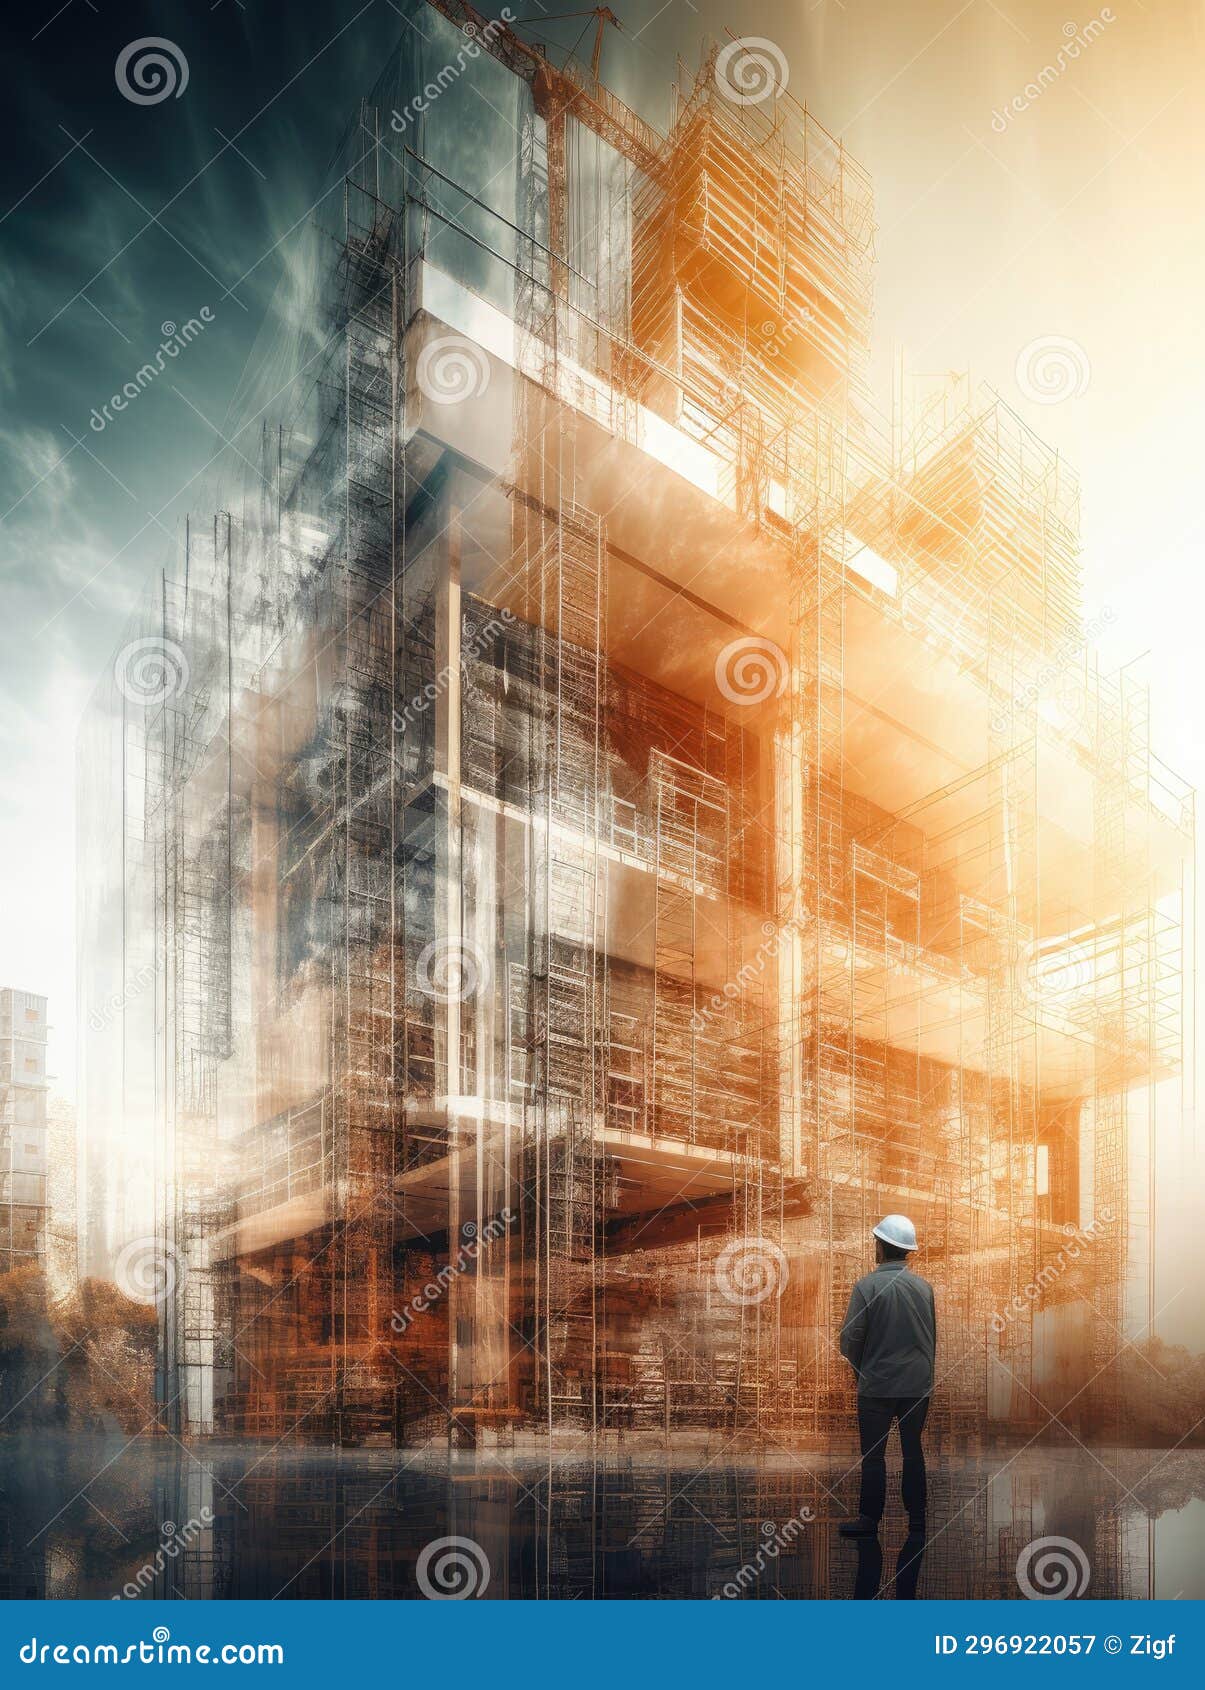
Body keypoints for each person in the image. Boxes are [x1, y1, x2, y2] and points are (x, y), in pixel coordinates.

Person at [837, 1214, 936, 1538]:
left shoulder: (866, 1287)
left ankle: (869, 1522)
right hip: (916, 1385)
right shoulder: (924, 1288)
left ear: (880, 1247)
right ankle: (917, 1522)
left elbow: (850, 1339)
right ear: (906, 1250)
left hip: (876, 1385)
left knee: (874, 1457)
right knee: (912, 1452)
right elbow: (930, 1338)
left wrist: (860, 1372)